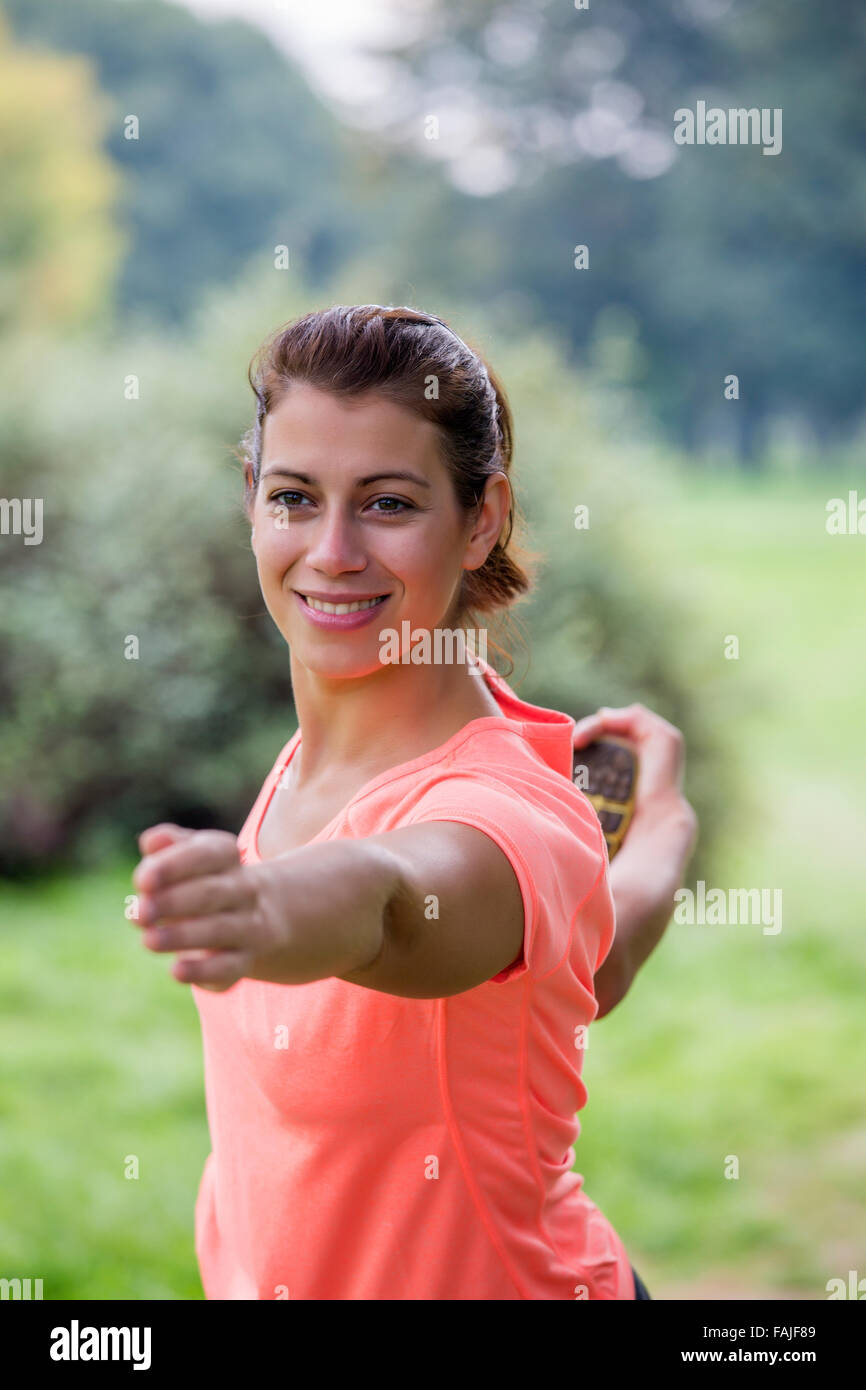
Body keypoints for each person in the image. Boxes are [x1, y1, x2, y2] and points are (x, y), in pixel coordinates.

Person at [132, 305, 697, 1300]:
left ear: (480, 518)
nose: (333, 550)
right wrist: (657, 840)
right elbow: (588, 972)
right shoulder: (318, 754)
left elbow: (394, 902)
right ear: (253, 505)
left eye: (388, 504)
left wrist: (265, 909)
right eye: (294, 497)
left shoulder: (504, 806)